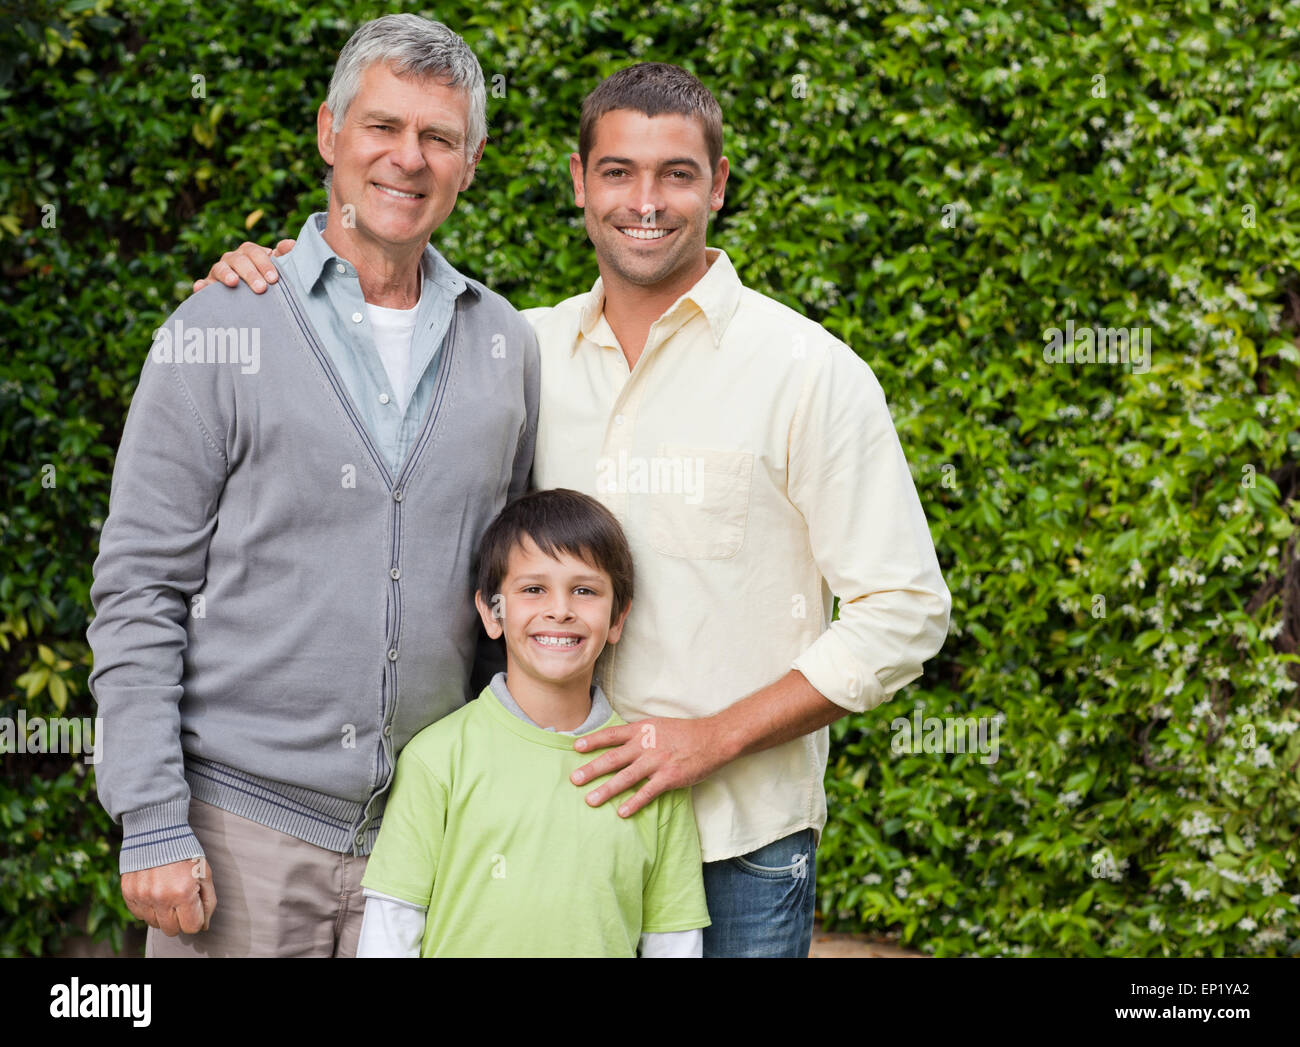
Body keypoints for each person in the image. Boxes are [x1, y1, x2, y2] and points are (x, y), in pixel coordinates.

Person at [201, 62, 951, 958]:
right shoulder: (518, 350)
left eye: (677, 173)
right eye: (618, 172)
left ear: (717, 184)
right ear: (579, 183)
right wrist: (283, 279)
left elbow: (903, 612)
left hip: (732, 847)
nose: (648, 200)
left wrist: (710, 739)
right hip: (526, 839)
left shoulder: (810, 373)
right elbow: (375, 359)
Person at [87, 14, 538, 957]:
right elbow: (139, 590)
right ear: (330, 132)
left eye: (438, 137)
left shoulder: (505, 344)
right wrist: (153, 817)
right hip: (235, 841)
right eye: (382, 127)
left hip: (428, 849)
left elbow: (515, 596)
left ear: (472, 161)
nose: (406, 159)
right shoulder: (222, 327)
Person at [355, 488, 709, 957]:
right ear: (491, 612)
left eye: (584, 590)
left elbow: (674, 942)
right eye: (533, 589)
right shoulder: (438, 759)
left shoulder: (649, 771)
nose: (560, 609)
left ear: (618, 617)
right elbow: (390, 930)